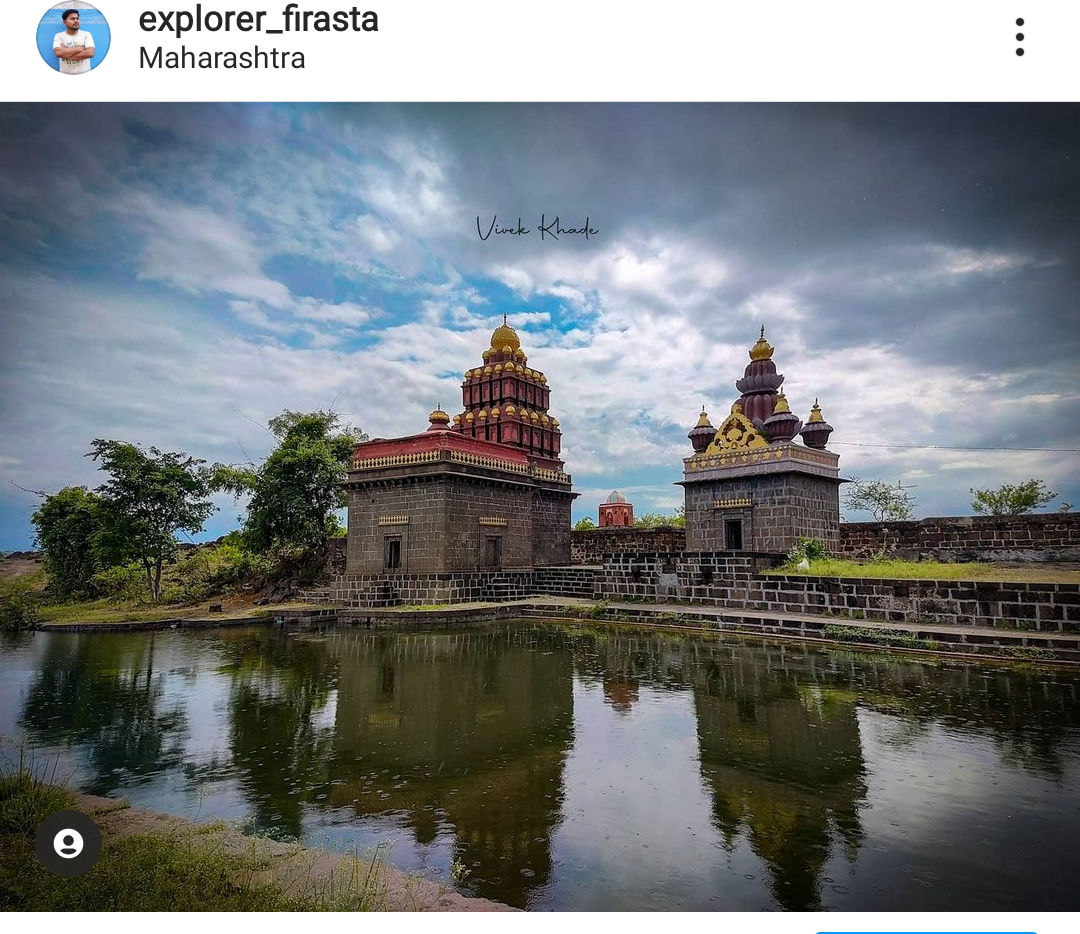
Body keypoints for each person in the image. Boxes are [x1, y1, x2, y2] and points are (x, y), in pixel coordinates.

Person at [53, 9, 95, 74]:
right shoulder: (59, 36)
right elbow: (58, 53)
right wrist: (80, 48)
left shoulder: (86, 34)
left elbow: (90, 53)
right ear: (64, 22)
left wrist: (65, 54)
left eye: (77, 18)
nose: (76, 21)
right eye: (72, 19)